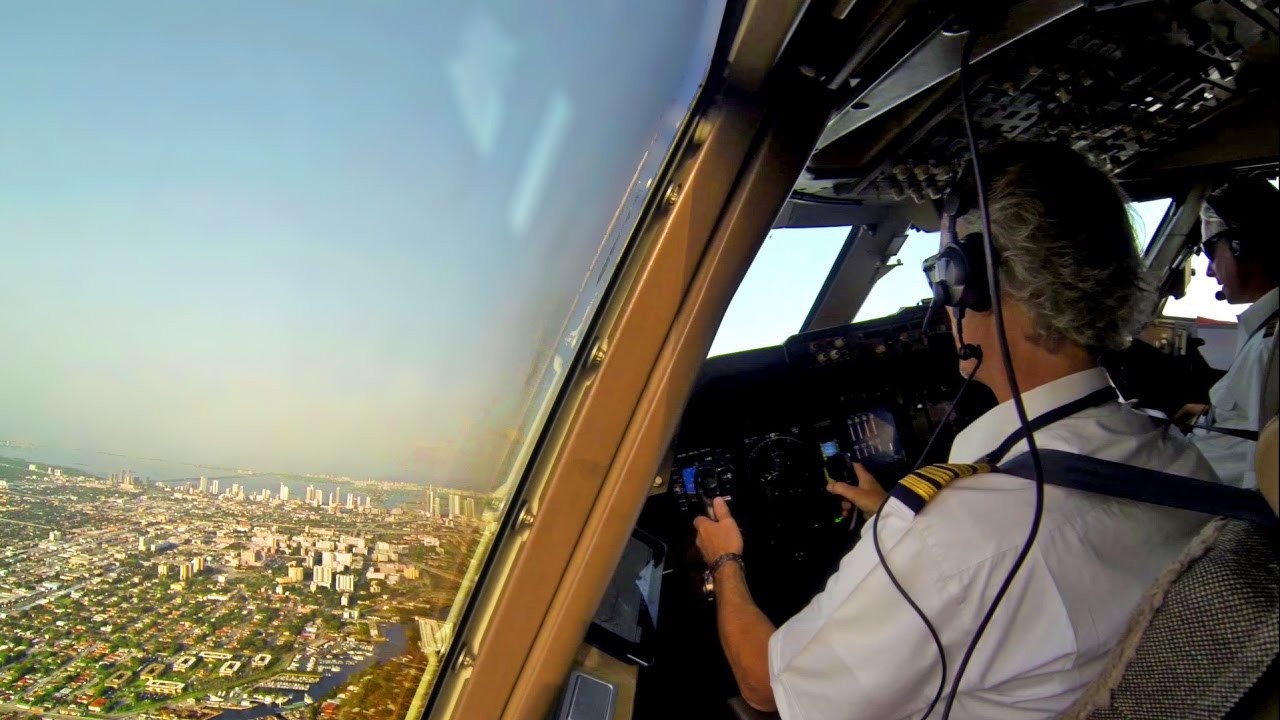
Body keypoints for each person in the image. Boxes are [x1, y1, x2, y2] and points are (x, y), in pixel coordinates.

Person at [693, 143, 1218, 719]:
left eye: (943, 271)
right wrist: (898, 527)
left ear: (976, 284)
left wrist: (727, 560)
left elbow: (765, 685)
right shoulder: (1180, 463)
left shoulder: (955, 537)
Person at [1175, 178, 1280, 489]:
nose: (1209, 270)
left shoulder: (1271, 346)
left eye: (1210, 250)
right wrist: (1210, 415)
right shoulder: (1264, 330)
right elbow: (1257, 419)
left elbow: (1259, 480)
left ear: (1240, 246)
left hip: (1204, 498)